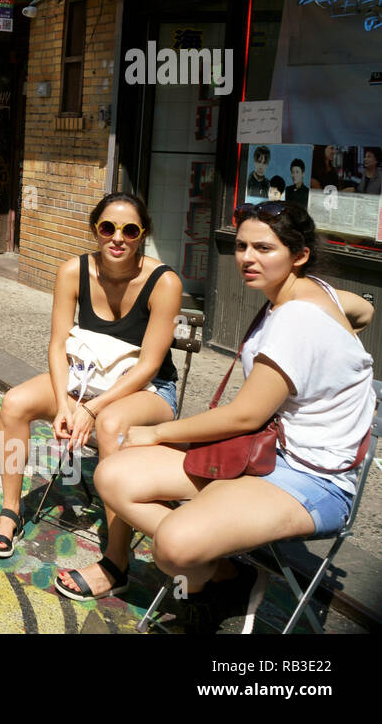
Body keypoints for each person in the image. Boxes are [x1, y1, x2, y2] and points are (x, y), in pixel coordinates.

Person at [96, 202, 375, 631]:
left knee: (171, 548)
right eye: (243, 245)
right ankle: (227, 572)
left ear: (298, 255)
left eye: (264, 248)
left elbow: (245, 415)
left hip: (312, 477)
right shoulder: (316, 291)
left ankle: (204, 570)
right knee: (113, 475)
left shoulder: (298, 318)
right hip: (265, 452)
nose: (247, 257)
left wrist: (156, 432)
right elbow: (364, 311)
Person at [0, 192, 183, 604]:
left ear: (142, 235)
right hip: (82, 378)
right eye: (107, 227)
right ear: (96, 228)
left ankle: (116, 562)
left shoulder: (165, 282)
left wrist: (91, 408)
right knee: (16, 402)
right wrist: (65, 402)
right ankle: (9, 511)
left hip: (145, 390)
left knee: (111, 425)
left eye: (130, 230)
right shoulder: (74, 269)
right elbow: (58, 345)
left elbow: (149, 365)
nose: (117, 239)